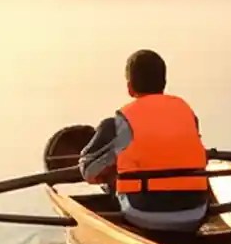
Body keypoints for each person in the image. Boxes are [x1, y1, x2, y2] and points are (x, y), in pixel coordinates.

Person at [77, 49, 210, 233]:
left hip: (143, 213)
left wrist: (114, 167)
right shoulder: (188, 114)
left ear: (130, 87)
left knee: (112, 174)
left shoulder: (117, 123)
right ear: (164, 84)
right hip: (195, 210)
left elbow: (89, 172)